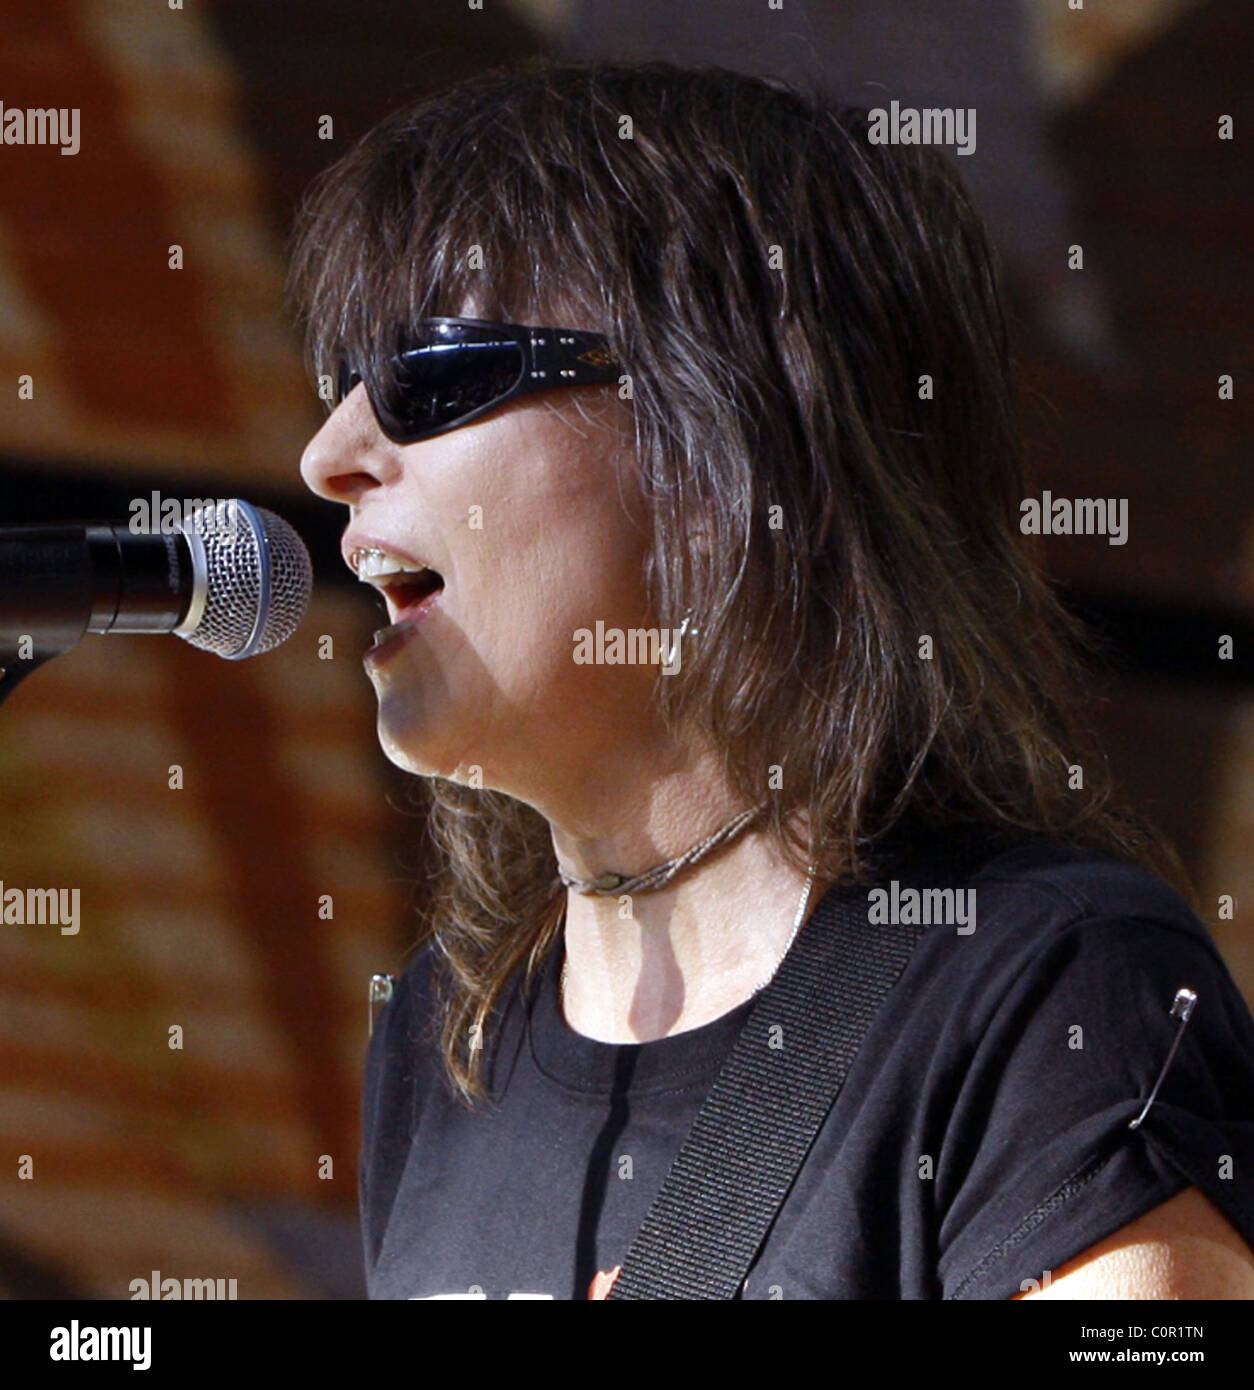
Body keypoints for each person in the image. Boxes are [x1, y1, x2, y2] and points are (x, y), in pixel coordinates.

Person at [290, 59, 1254, 1300]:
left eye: (433, 371)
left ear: (726, 436)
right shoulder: (452, 1032)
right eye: (343, 386)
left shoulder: (1048, 990)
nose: (330, 454)